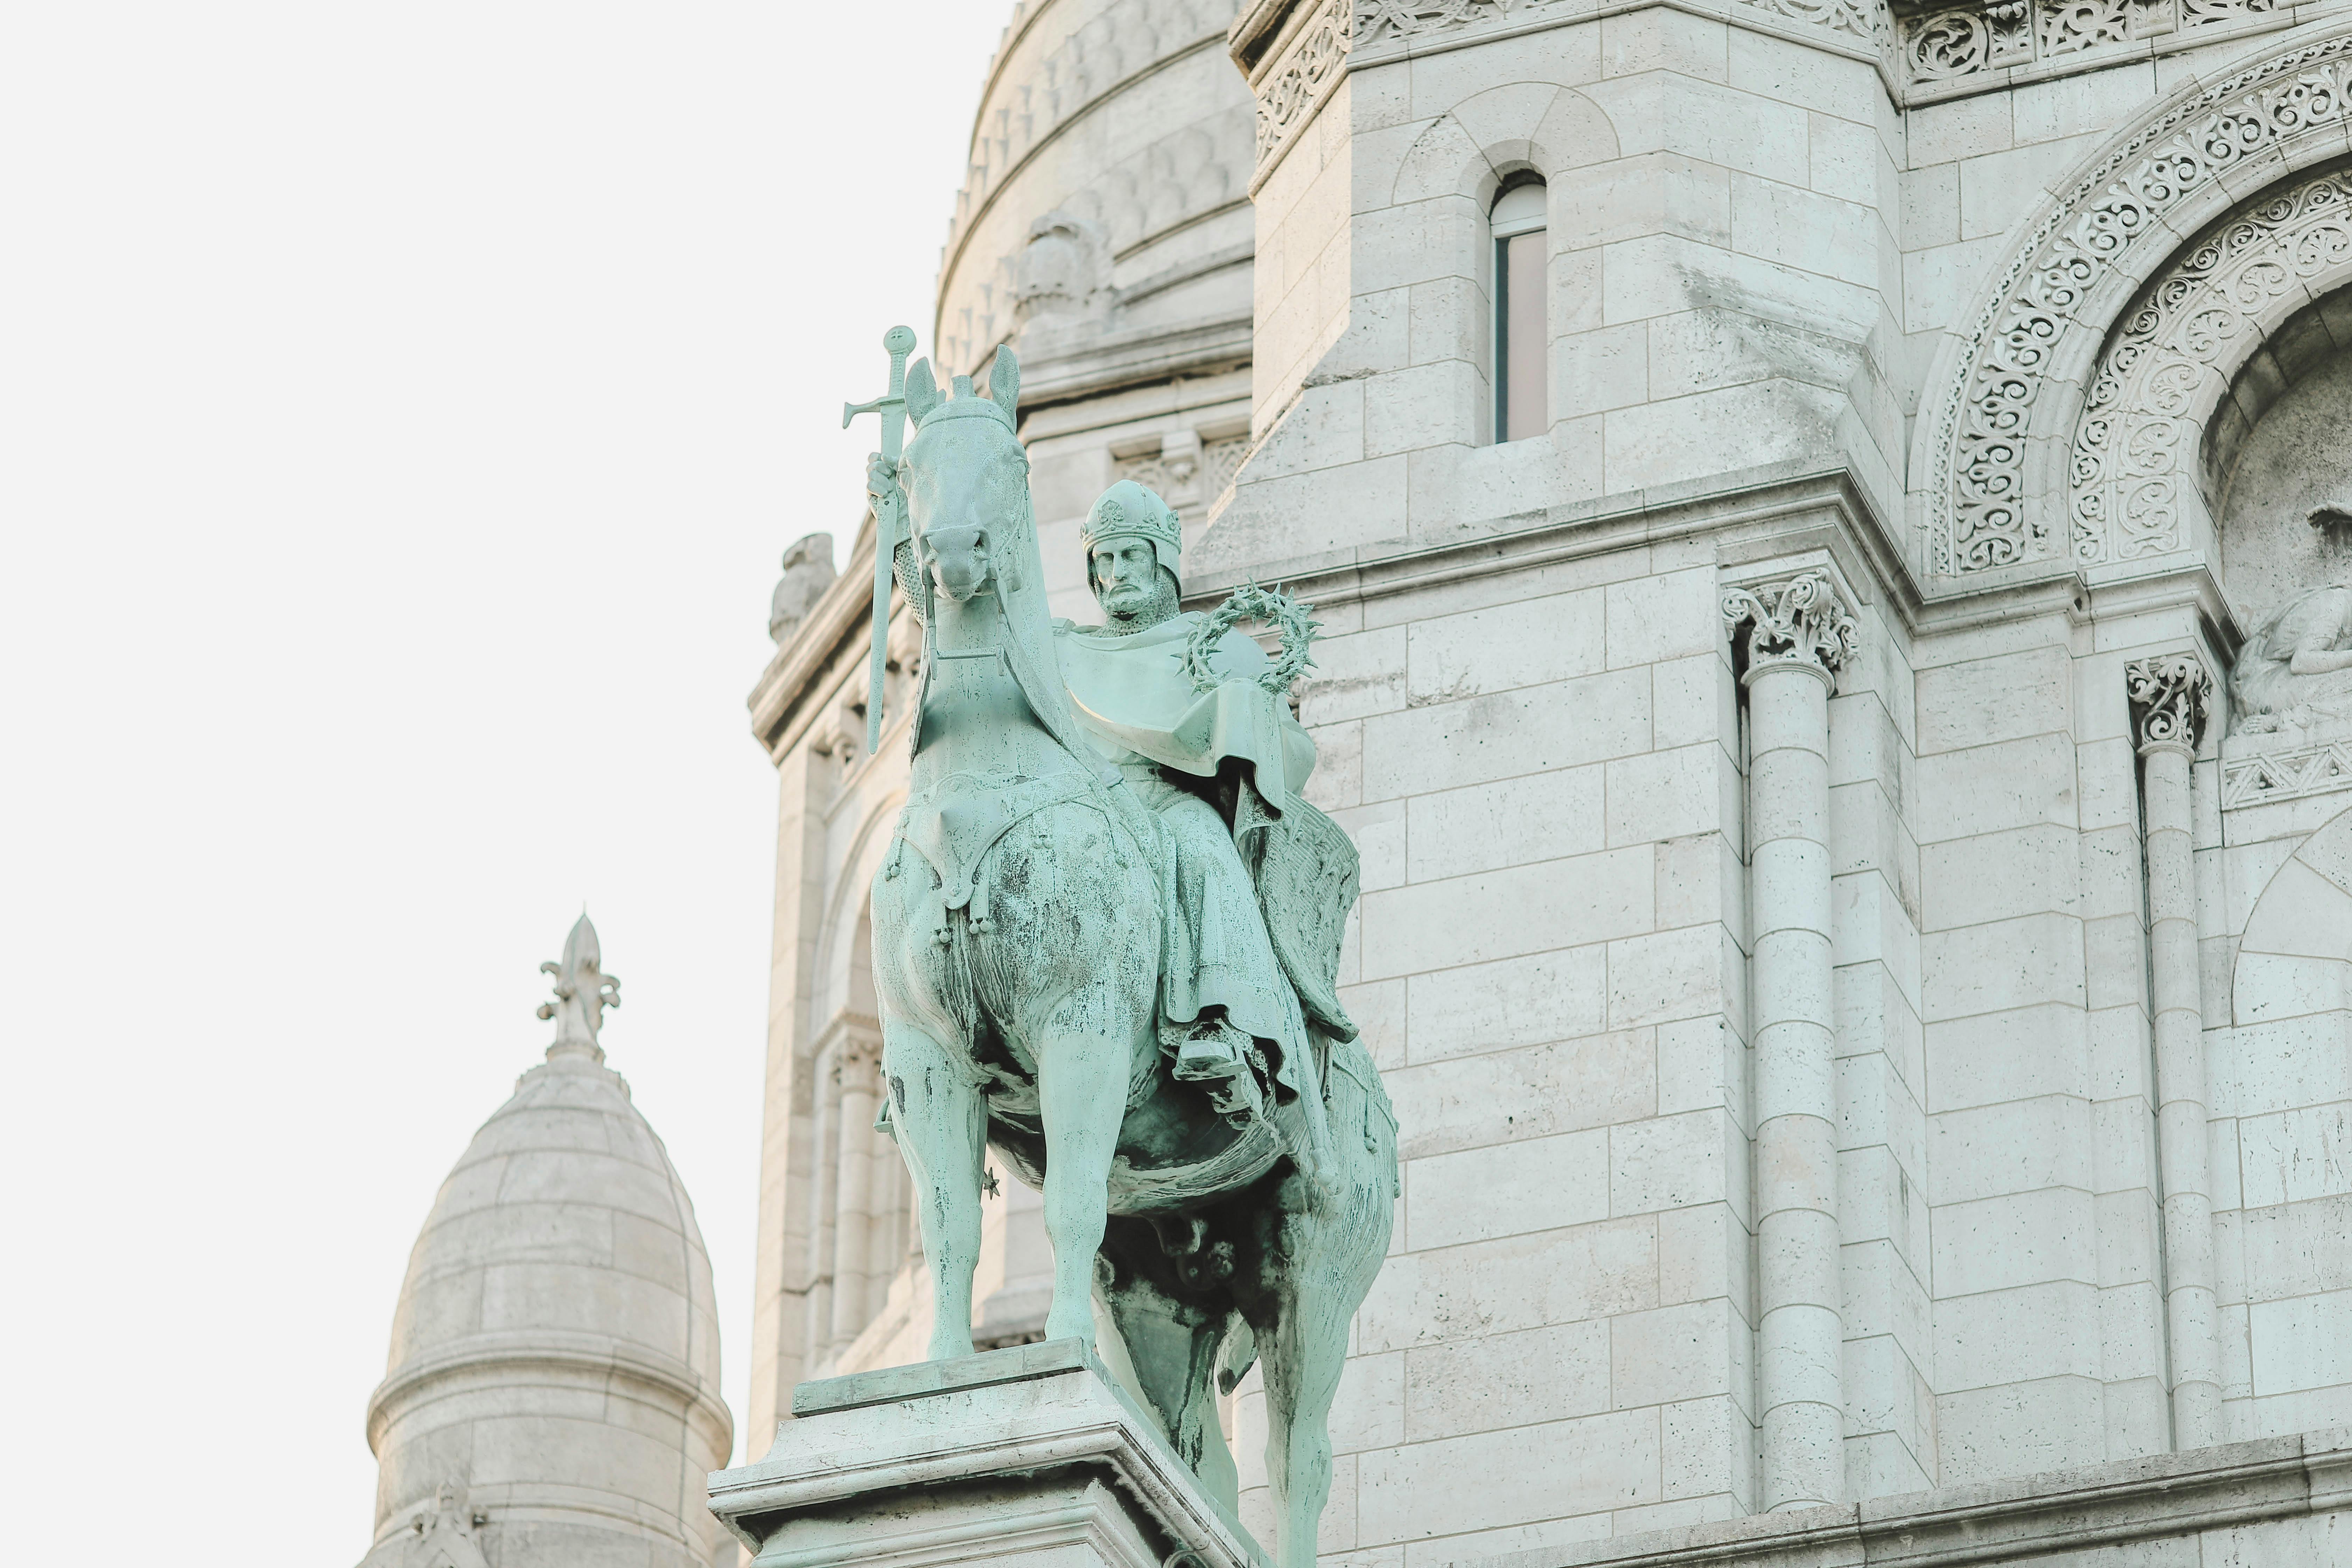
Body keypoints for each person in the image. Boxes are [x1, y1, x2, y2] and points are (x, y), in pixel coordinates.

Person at [1051, 481, 1332, 1132]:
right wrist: (906, 553)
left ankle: (1225, 1028)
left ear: (1163, 564)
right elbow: (973, 625)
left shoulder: (1208, 647)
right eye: (1105, 561)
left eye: (1130, 557)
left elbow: (1290, 755)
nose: (1116, 573)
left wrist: (1247, 713)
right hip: (1083, 815)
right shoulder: (1064, 650)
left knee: (1204, 849)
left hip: (1167, 804)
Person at [2233, 581, 2352, 729]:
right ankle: (2282, 720)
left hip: (2280, 680)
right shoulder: (2334, 606)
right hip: (2265, 688)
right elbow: (2301, 662)